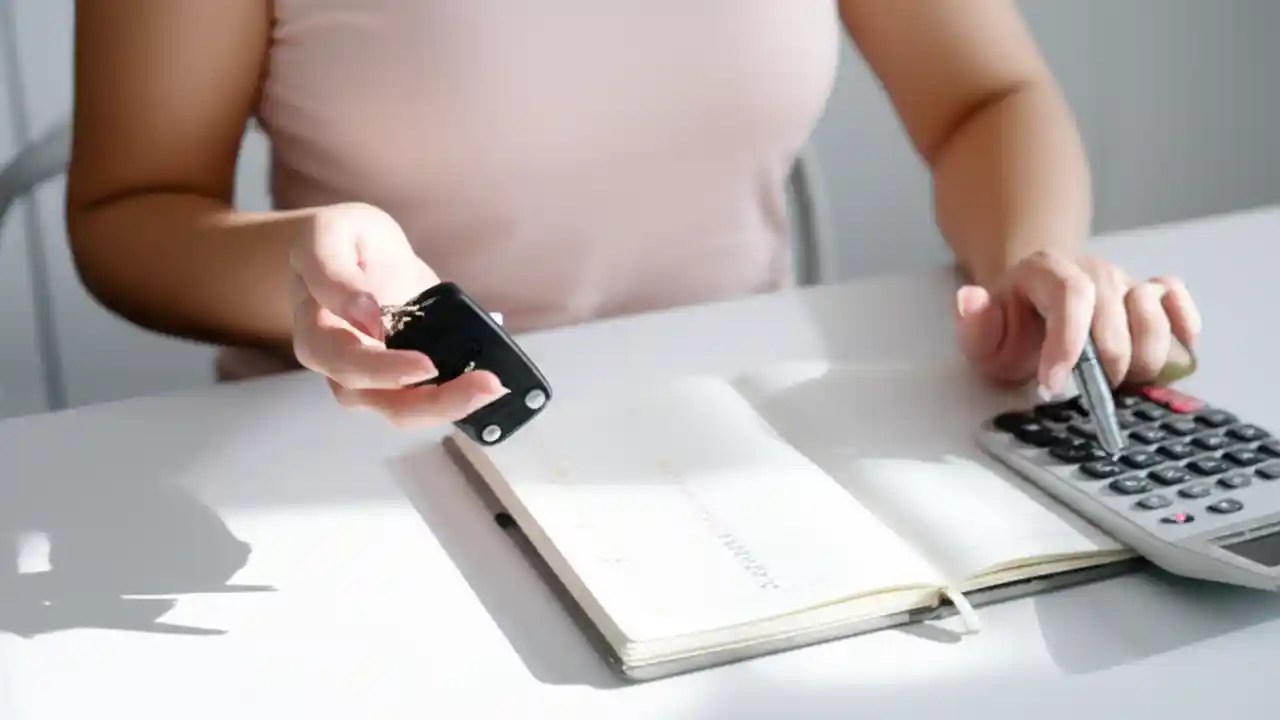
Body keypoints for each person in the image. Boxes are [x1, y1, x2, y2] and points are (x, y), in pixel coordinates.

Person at [65, 1, 1199, 428]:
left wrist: (1031, 260)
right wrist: (292, 274)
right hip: (354, 457)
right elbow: (129, 208)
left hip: (743, 435)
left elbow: (980, 97)